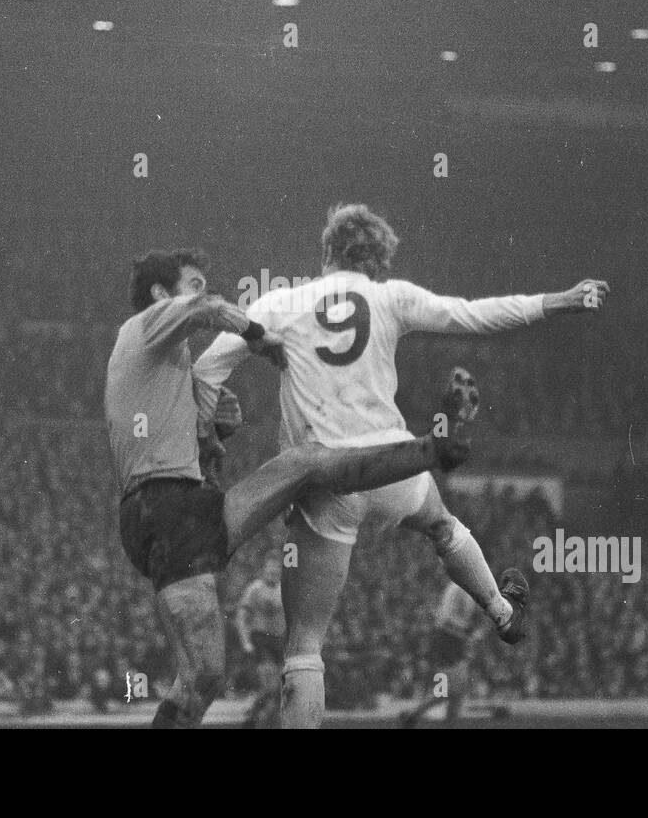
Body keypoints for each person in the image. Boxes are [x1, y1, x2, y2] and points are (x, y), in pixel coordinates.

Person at [193, 203, 610, 728]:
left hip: (321, 479)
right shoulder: (391, 296)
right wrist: (559, 300)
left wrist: (209, 445)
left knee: (304, 646)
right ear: (380, 259)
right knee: (444, 525)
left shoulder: (280, 302)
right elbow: (473, 314)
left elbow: (206, 368)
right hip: (392, 465)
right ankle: (504, 613)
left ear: (327, 251)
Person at [105, 248, 477, 729]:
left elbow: (199, 446)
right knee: (202, 676)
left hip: (187, 508)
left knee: (303, 465)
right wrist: (262, 338)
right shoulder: (142, 328)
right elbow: (210, 308)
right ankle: (430, 451)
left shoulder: (167, 365)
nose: (202, 290)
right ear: (160, 294)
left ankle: (432, 450)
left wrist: (217, 431)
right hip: (165, 509)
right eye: (192, 282)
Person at [399, 581, 485, 727]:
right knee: (452, 689)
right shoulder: (460, 589)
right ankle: (413, 715)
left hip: (451, 639)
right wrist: (470, 632)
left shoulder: (463, 587)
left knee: (455, 690)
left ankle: (413, 715)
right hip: (449, 639)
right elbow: (449, 619)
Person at [236, 552, 284, 728]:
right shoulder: (255, 589)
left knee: (278, 691)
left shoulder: (285, 588)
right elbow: (241, 616)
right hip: (261, 639)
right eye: (269, 569)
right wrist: (245, 641)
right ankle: (252, 717)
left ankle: (255, 719)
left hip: (279, 640)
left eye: (276, 570)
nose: (273, 573)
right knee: (269, 685)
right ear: (264, 570)